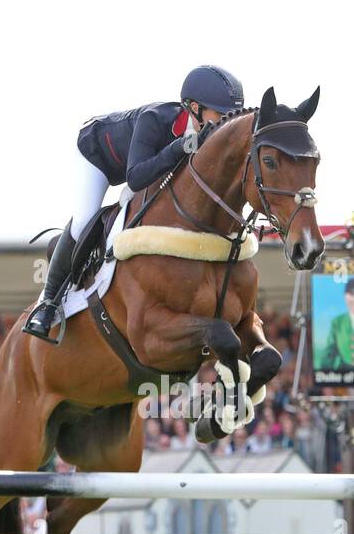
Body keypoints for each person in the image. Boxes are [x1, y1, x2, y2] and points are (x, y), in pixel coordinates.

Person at [23, 65, 245, 342]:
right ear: (194, 108)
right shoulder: (155, 120)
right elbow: (137, 177)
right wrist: (178, 148)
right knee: (83, 221)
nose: (225, 122)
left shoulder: (205, 137)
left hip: (141, 166)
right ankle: (48, 303)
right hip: (99, 156)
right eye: (220, 114)